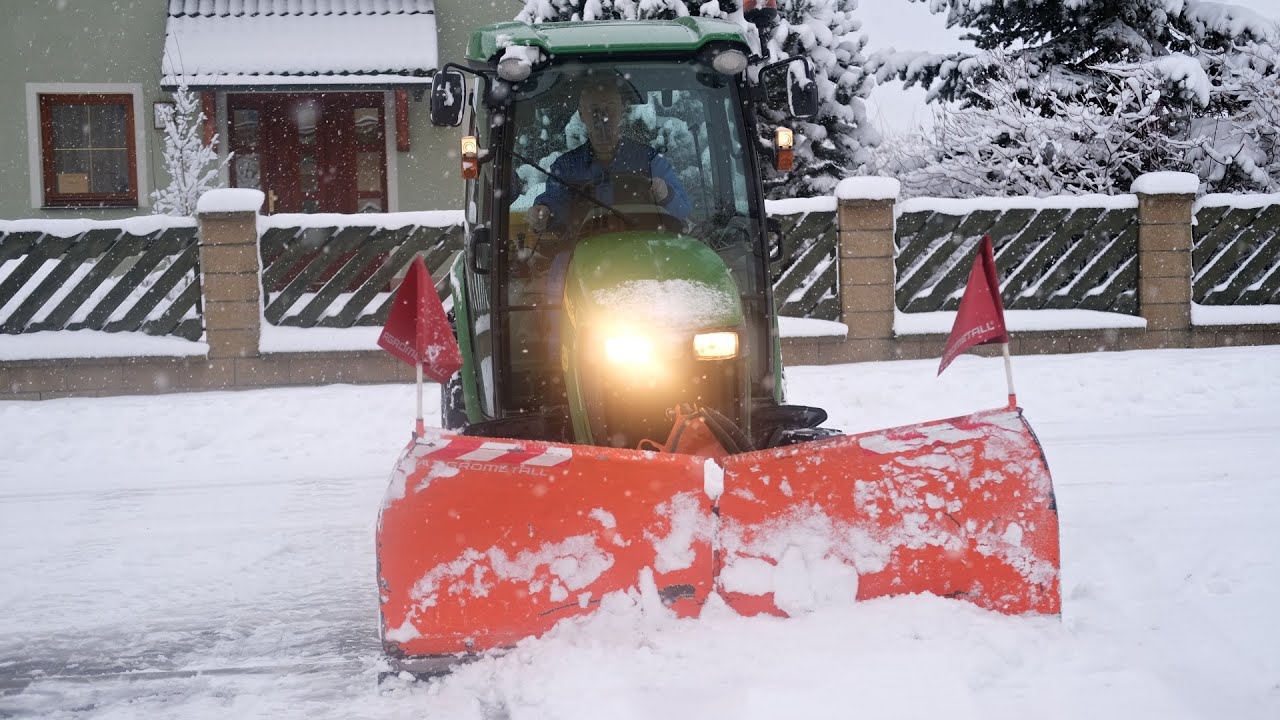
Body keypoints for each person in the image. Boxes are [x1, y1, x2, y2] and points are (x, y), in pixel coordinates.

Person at [527, 77, 691, 234]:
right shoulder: (565, 167)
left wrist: (665, 193)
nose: (602, 117)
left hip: (643, 250)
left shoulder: (649, 160)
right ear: (582, 115)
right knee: (557, 263)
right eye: (594, 109)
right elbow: (555, 200)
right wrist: (544, 211)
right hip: (581, 252)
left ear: (622, 110)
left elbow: (682, 210)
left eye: (610, 108)